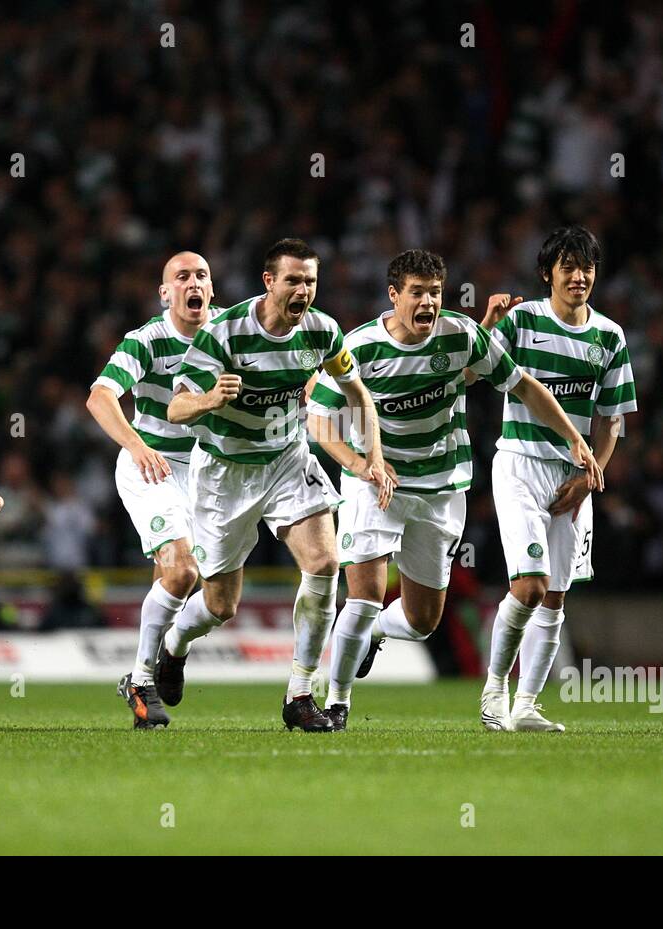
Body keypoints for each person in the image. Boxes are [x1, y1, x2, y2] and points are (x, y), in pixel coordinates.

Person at [309, 248, 602, 731]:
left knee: (423, 621)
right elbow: (320, 421)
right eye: (417, 293)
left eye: (436, 293)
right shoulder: (358, 347)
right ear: (393, 296)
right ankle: (337, 703)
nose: (428, 302)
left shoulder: (461, 335)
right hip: (375, 485)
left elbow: (523, 386)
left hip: (440, 487)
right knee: (363, 596)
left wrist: (574, 437)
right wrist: (361, 467)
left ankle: (377, 630)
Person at [159, 238, 392, 732]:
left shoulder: (323, 331)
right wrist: (208, 401)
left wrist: (372, 455)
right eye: (293, 280)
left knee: (326, 562)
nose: (303, 290)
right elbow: (174, 409)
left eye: (310, 280)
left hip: (287, 460)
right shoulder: (225, 332)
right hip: (225, 473)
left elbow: (358, 394)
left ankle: (300, 693)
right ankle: (174, 645)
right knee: (221, 606)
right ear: (269, 283)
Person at [476, 226, 637, 732]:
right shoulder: (521, 321)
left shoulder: (609, 336)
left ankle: (526, 705)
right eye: (568, 267)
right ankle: (493, 691)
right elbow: (470, 371)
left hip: (573, 478)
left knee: (555, 597)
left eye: (587, 267)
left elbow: (612, 420)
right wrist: (485, 323)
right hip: (520, 464)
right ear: (548, 273)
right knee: (528, 586)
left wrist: (592, 477)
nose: (579, 276)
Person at [87, 251, 217, 729]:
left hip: (209, 472)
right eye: (181, 277)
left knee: (219, 598)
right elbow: (100, 397)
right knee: (181, 572)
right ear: (165, 293)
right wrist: (137, 445)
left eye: (201, 275)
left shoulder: (226, 330)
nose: (192, 283)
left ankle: (171, 649)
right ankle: (141, 681)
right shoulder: (147, 340)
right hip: (153, 467)